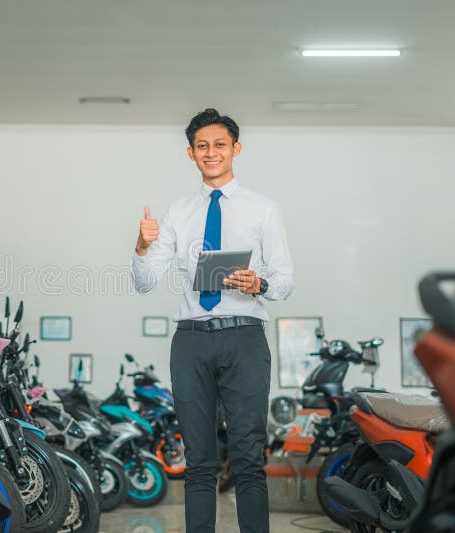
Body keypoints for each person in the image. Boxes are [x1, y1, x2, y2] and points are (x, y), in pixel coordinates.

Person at [131, 108, 294, 533]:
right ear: (191, 154)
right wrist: (142, 244)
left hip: (244, 338)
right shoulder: (178, 212)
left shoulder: (263, 209)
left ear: (235, 149)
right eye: (202, 146)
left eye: (220, 144)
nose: (211, 152)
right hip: (191, 342)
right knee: (199, 462)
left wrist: (256, 283)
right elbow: (145, 282)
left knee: (247, 458)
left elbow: (285, 279)